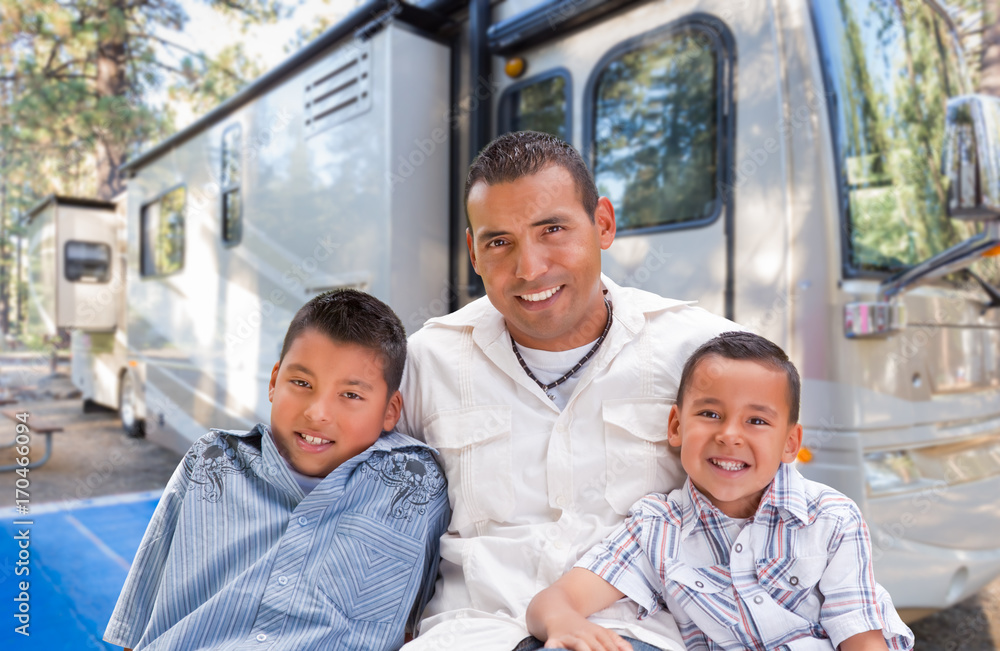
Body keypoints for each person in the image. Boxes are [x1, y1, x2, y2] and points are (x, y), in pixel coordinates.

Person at [399, 131, 736, 651]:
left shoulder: (699, 351)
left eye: (552, 229)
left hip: (634, 634)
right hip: (473, 634)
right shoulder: (429, 360)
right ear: (473, 251)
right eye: (499, 242)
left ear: (603, 223)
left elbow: (785, 513)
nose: (529, 269)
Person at [104, 289, 450, 651]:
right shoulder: (211, 461)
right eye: (301, 383)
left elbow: (416, 627)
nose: (317, 412)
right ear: (274, 382)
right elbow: (140, 622)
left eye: (350, 395)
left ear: (391, 411)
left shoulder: (417, 487)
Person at [526, 331, 914, 651]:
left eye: (757, 420)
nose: (729, 435)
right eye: (710, 414)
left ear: (790, 443)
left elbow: (863, 641)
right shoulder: (656, 529)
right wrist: (564, 624)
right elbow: (556, 600)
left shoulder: (831, 518)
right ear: (676, 426)